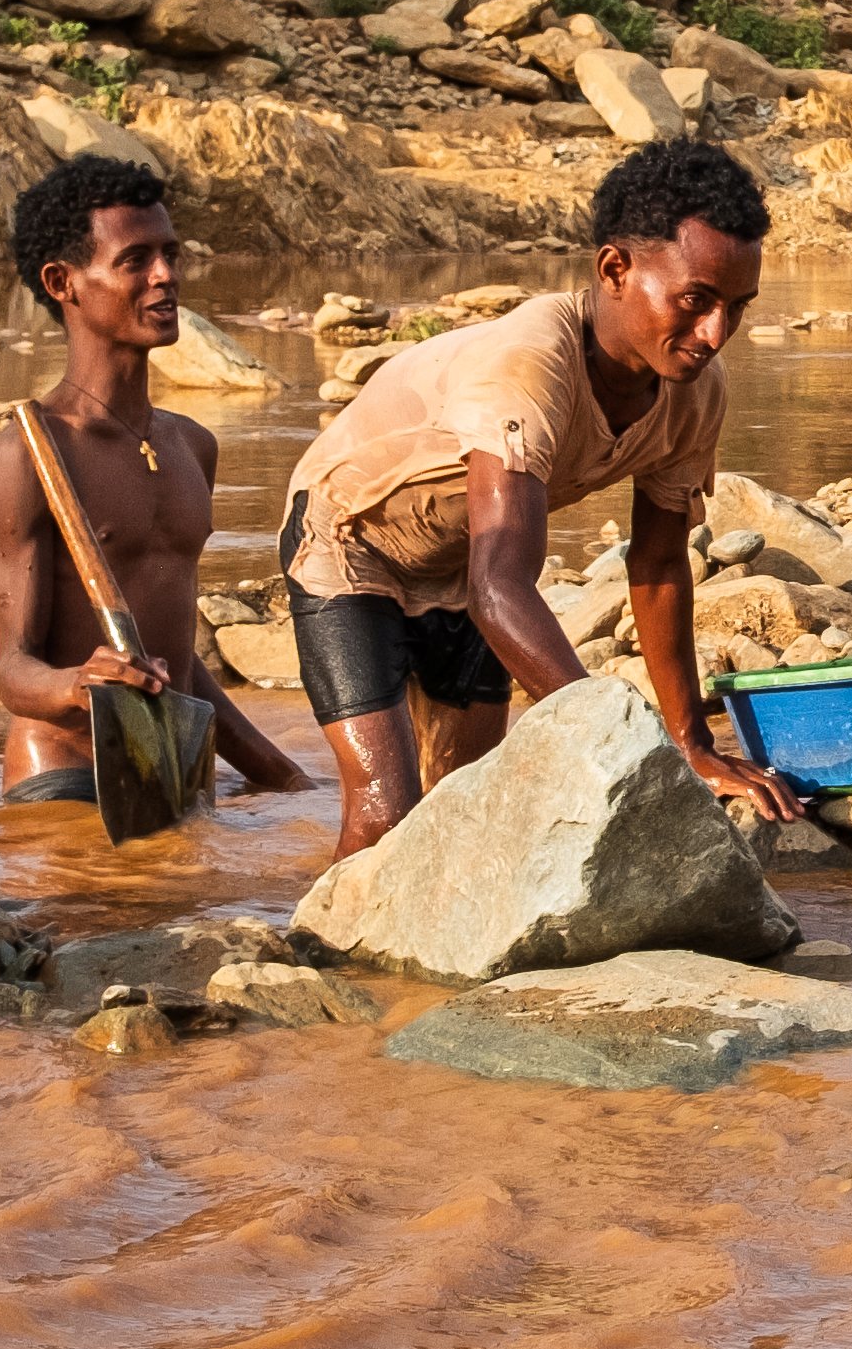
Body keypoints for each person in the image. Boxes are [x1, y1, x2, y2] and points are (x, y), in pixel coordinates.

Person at [273, 136, 804, 854]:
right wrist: (612, 745)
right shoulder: (530, 363)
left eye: (736, 307)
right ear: (615, 269)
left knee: (465, 815)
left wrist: (690, 744)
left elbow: (657, 566)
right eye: (695, 301)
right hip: (352, 543)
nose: (715, 334)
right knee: (384, 816)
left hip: (464, 561)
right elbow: (502, 587)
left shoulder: (694, 391)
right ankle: (310, 961)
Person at [0, 153, 311, 818]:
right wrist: (79, 684)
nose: (167, 277)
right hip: (68, 775)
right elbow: (14, 674)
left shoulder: (191, 446)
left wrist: (283, 777)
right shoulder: (30, 456)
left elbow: (174, 664)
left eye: (171, 255)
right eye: (136, 260)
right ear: (62, 282)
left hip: (174, 767)